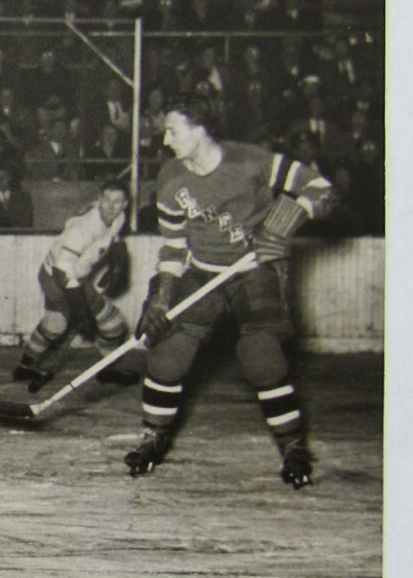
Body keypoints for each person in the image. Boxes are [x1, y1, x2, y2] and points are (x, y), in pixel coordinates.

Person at [125, 99, 334, 487]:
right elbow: (174, 247)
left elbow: (321, 188)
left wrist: (283, 226)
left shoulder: (250, 160)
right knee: (167, 358)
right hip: (202, 272)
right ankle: (153, 436)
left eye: (173, 131)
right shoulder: (171, 177)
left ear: (199, 129)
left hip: (253, 270)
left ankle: (292, 446)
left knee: (262, 359)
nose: (165, 140)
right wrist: (161, 296)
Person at [11, 178, 139, 393]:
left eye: (117, 202)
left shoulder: (119, 217)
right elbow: (63, 270)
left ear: (125, 204)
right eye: (106, 200)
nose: (111, 206)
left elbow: (114, 240)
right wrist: (80, 310)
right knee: (113, 324)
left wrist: (119, 265)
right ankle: (107, 370)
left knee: (55, 325)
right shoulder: (82, 229)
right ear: (99, 200)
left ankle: (24, 367)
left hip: (65, 273)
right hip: (58, 275)